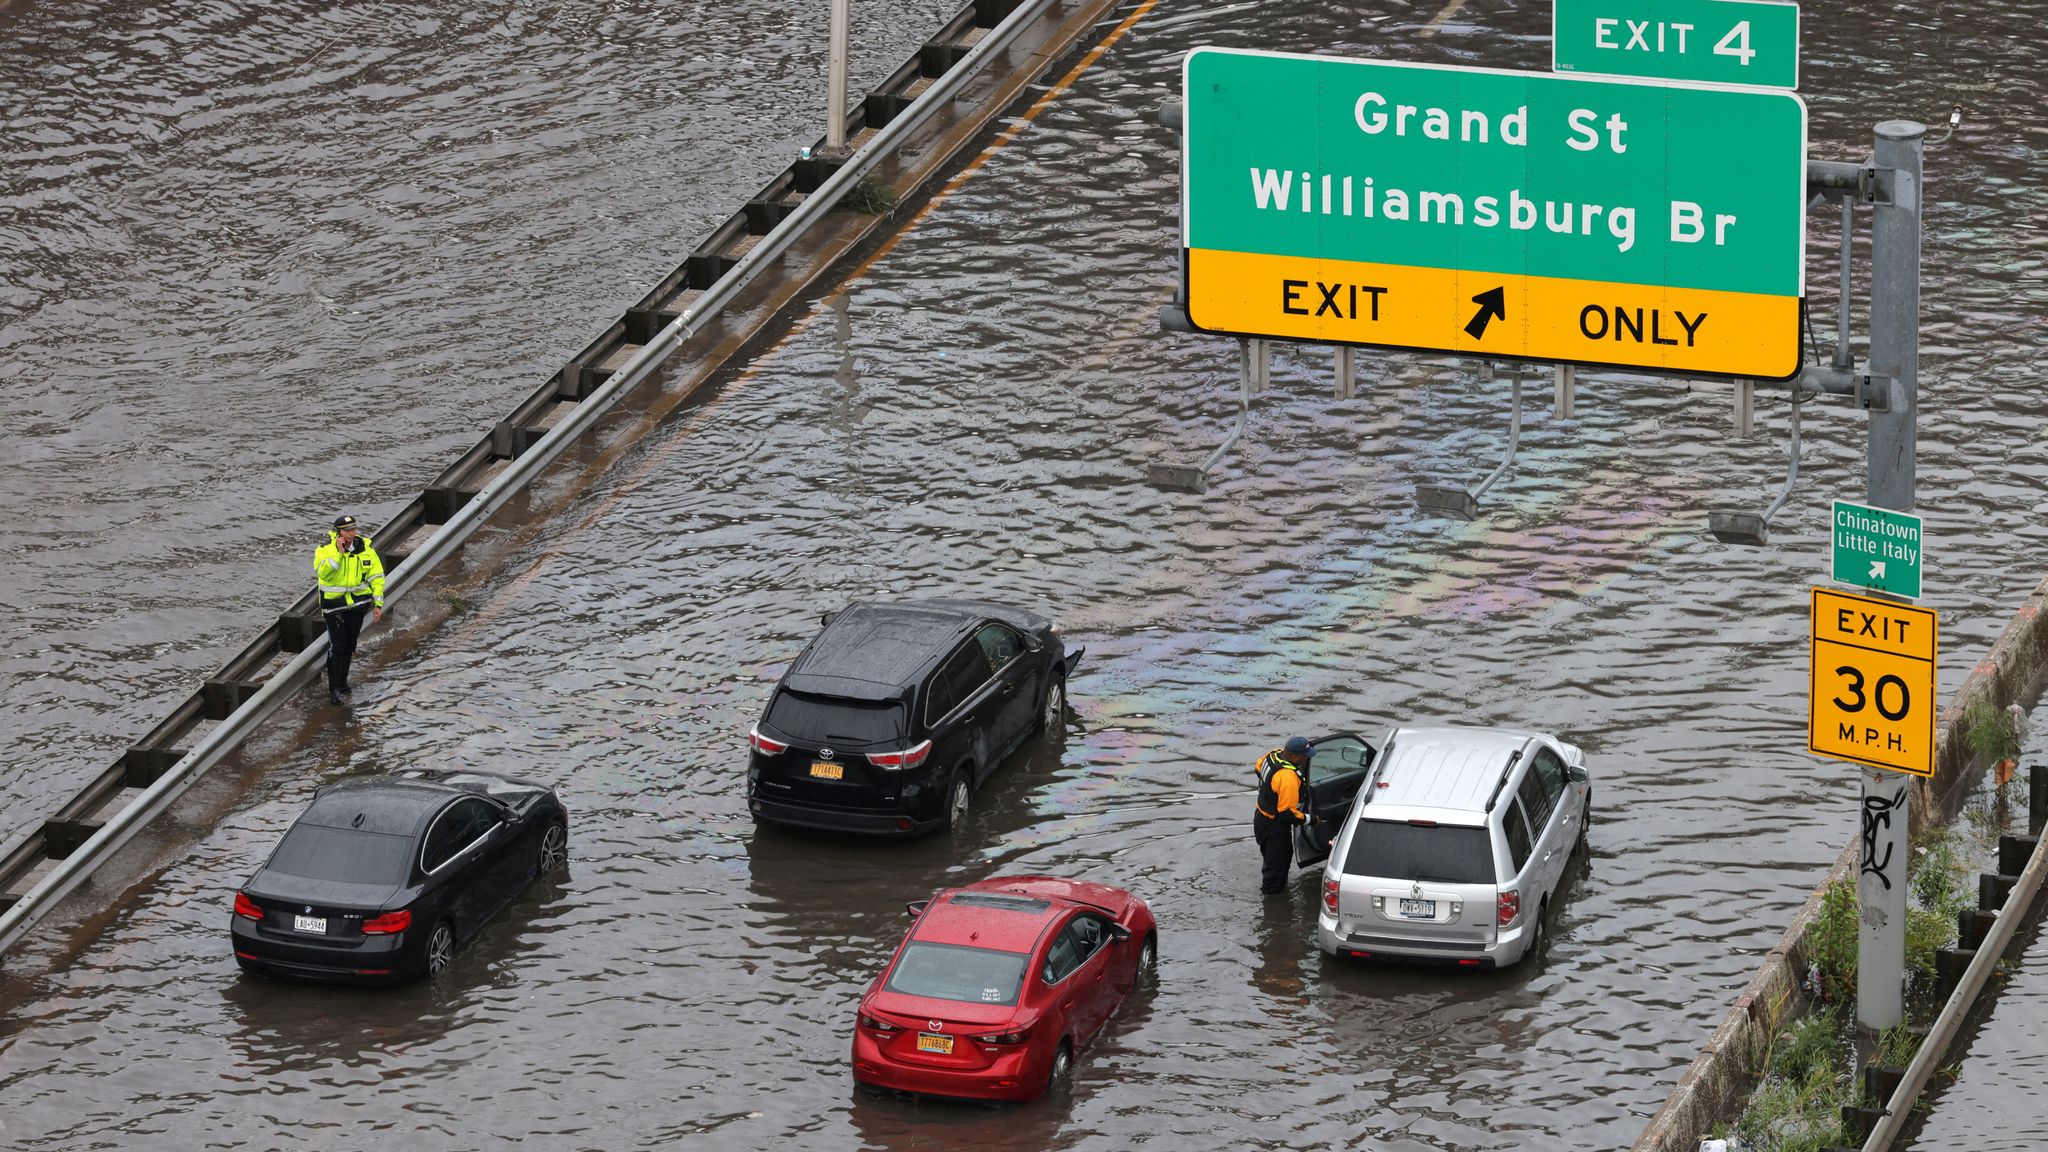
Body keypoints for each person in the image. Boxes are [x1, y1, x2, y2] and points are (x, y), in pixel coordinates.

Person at [313, 514, 385, 705]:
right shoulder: (325, 549)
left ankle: (343, 682)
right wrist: (339, 554)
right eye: (347, 530)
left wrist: (378, 604)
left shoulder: (366, 549)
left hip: (357, 606)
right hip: (334, 607)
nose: (351, 534)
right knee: (336, 647)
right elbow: (323, 573)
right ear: (338, 533)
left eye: (353, 529)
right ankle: (334, 688)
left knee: (349, 645)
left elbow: (376, 577)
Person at [1253, 736, 1313, 894]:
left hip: (1261, 817)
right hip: (1274, 827)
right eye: (1305, 756)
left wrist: (1271, 790)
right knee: (1276, 868)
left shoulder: (1273, 754)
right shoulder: (1288, 777)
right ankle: (1273, 905)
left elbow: (1258, 769)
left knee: (1277, 859)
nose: (1307, 758)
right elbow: (1287, 814)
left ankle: (1277, 892)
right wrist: (1311, 820)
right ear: (1294, 756)